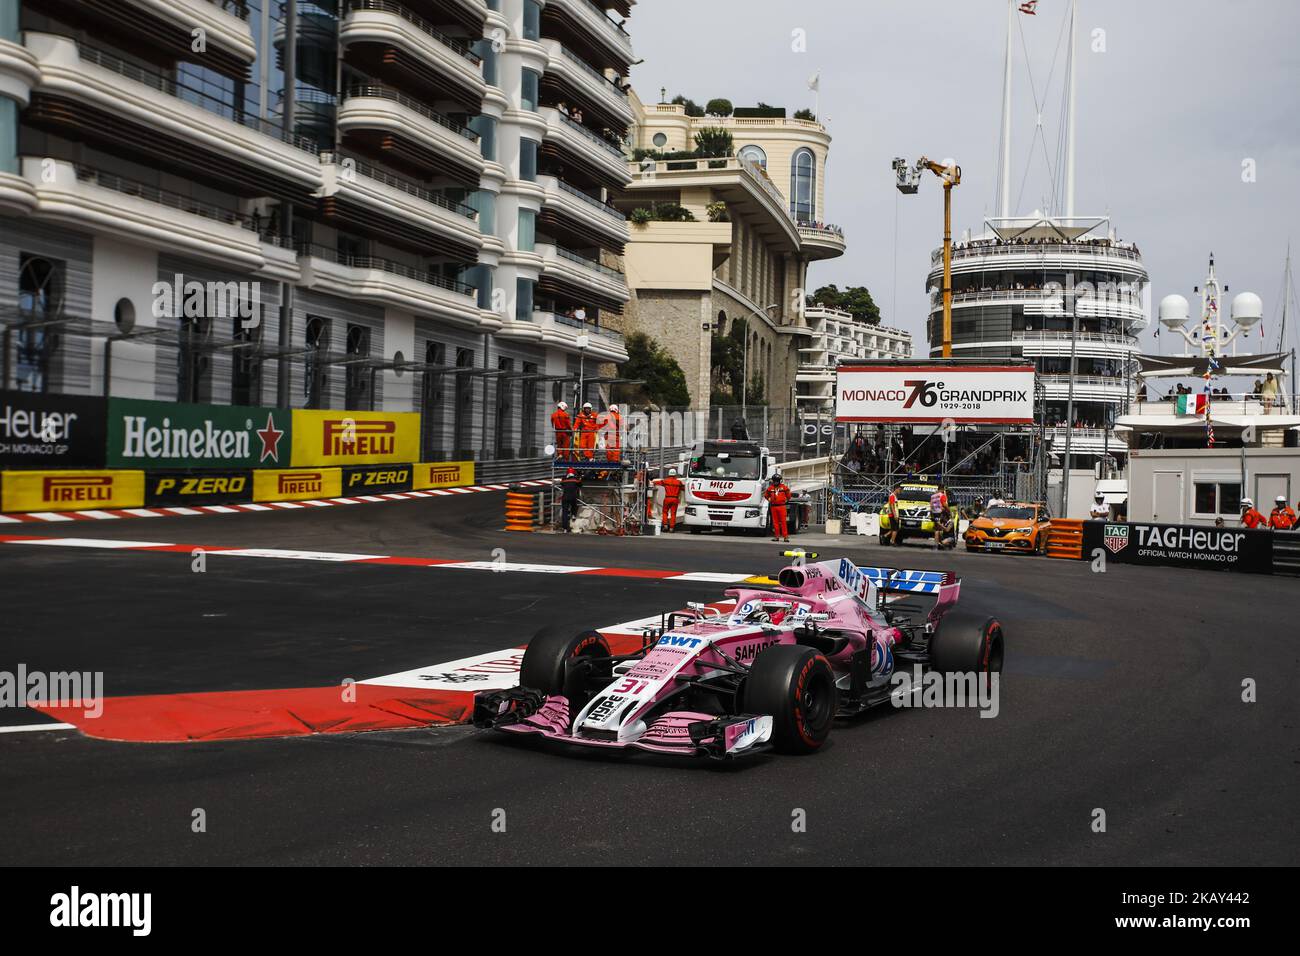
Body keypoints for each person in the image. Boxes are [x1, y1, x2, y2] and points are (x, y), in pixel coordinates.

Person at [764, 472, 792, 542]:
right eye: (775, 480)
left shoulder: (784, 487)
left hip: (782, 506)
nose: (776, 482)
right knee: (775, 522)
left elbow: (788, 495)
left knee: (783, 522)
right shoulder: (770, 488)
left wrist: (786, 500)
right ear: (773, 481)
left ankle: (785, 537)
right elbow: (766, 495)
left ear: (779, 481)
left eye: (777, 480)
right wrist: (769, 499)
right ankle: (776, 537)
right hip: (773, 507)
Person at [656, 467, 685, 532]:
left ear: (669, 474)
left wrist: (651, 481)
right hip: (675, 499)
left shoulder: (665, 481)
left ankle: (665, 525)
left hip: (667, 498)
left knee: (665, 512)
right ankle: (671, 528)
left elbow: (657, 483)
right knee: (673, 513)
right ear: (675, 474)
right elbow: (684, 489)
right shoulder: (679, 482)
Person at [559, 467, 582, 532]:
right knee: (574, 506)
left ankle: (565, 528)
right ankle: (573, 515)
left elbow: (562, 484)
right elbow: (580, 484)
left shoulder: (564, 479)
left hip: (565, 497)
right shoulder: (576, 479)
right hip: (573, 496)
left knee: (565, 512)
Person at [929, 483, 949, 550]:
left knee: (937, 529)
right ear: (943, 489)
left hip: (934, 514)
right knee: (938, 530)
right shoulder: (942, 495)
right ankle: (937, 545)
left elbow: (931, 506)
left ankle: (939, 543)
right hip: (940, 513)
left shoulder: (933, 496)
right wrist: (949, 511)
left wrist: (931, 514)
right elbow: (945, 505)